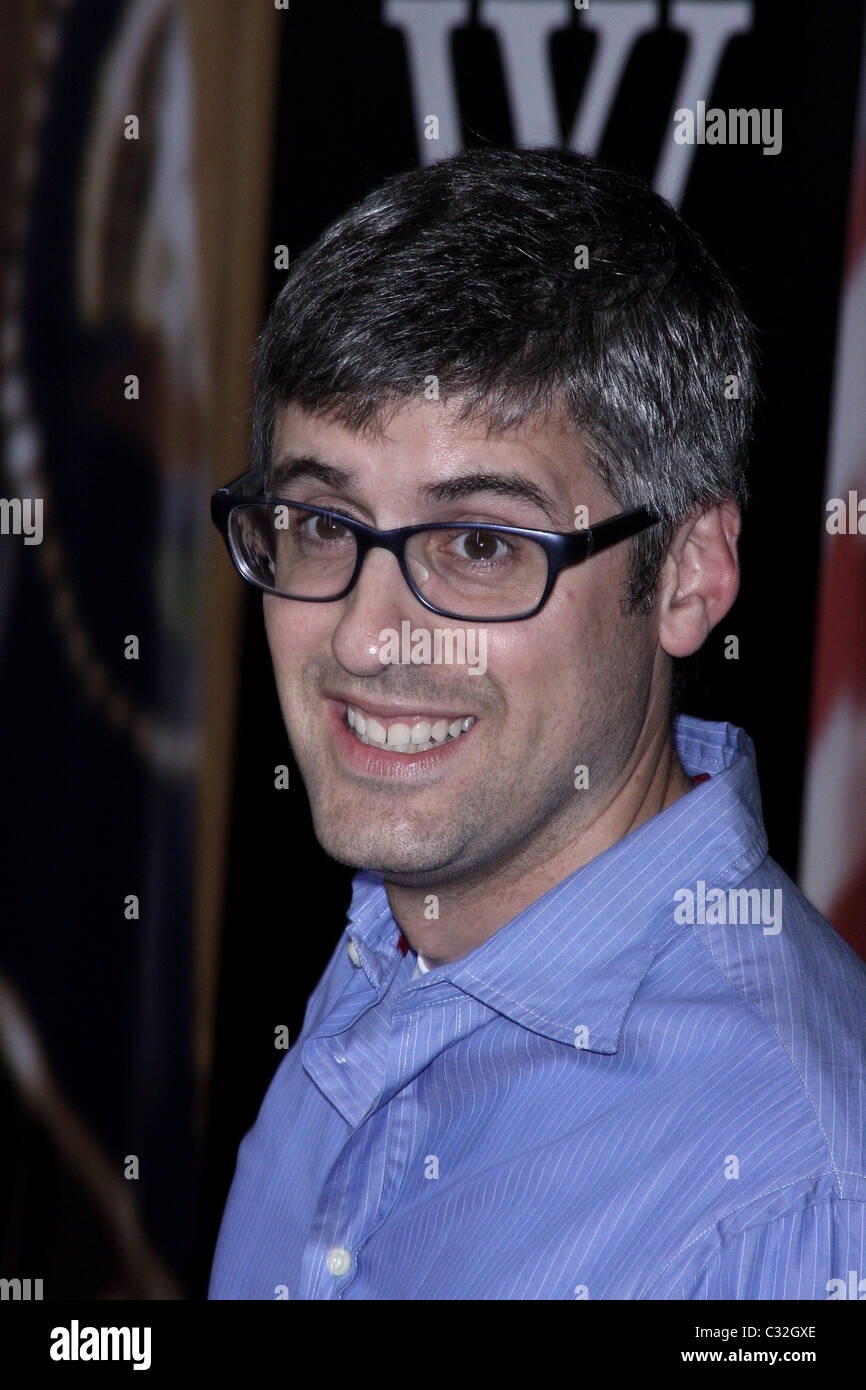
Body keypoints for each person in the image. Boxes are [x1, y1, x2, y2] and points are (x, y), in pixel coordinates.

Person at [208, 146, 866, 1300]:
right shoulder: (396, 934)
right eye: (319, 522)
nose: (365, 640)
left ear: (687, 576)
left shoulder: (795, 1204)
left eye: (476, 545)